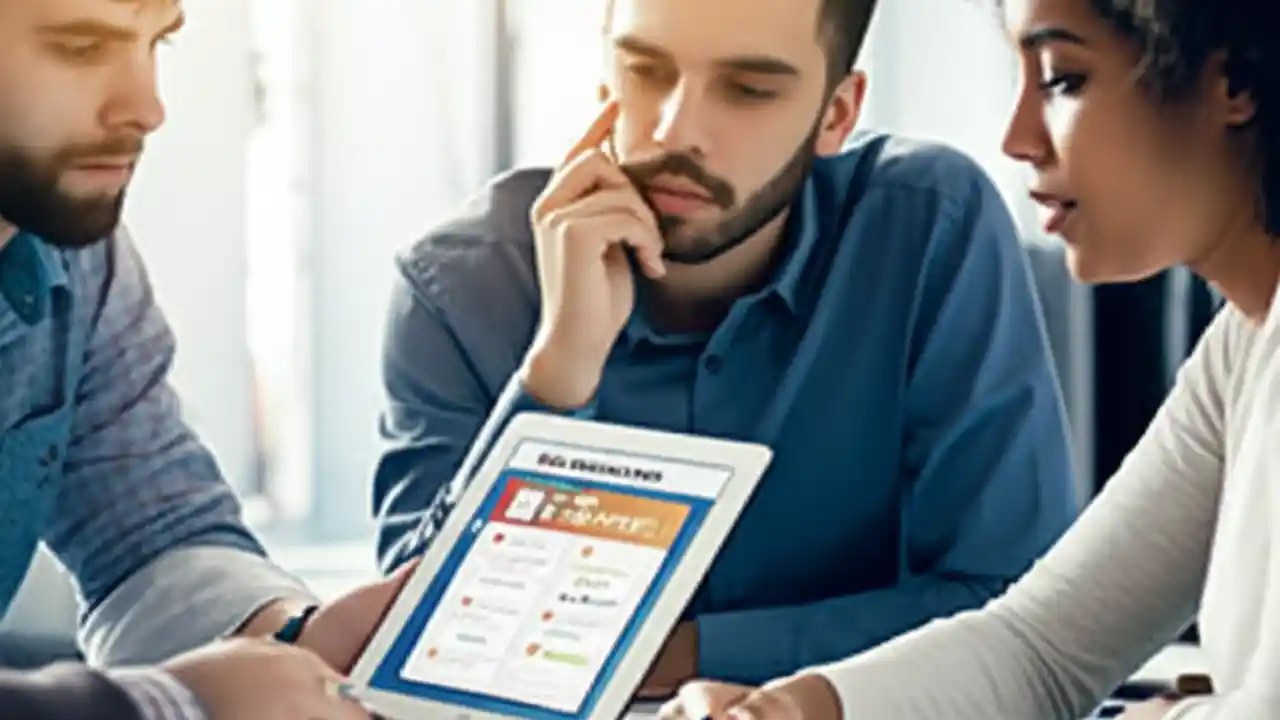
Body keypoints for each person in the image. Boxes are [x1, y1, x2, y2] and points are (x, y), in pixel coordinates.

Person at [372, 0, 1077, 694]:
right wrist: (561, 372)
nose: (677, 132)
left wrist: (671, 653)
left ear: (837, 114)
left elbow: (1010, 605)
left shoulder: (926, 228)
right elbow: (406, 647)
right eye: (645, 71)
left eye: (748, 90)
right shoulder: (460, 286)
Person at [663, 0, 1280, 717]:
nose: (1016, 139)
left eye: (1062, 79)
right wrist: (793, 710)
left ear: (1233, 81)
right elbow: (1042, 647)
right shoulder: (1244, 341)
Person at [0, 0, 408, 716]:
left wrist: (288, 639)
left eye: (157, 43)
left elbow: (147, 539)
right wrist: (165, 705)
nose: (149, 106)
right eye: (80, 48)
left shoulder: (79, 257)